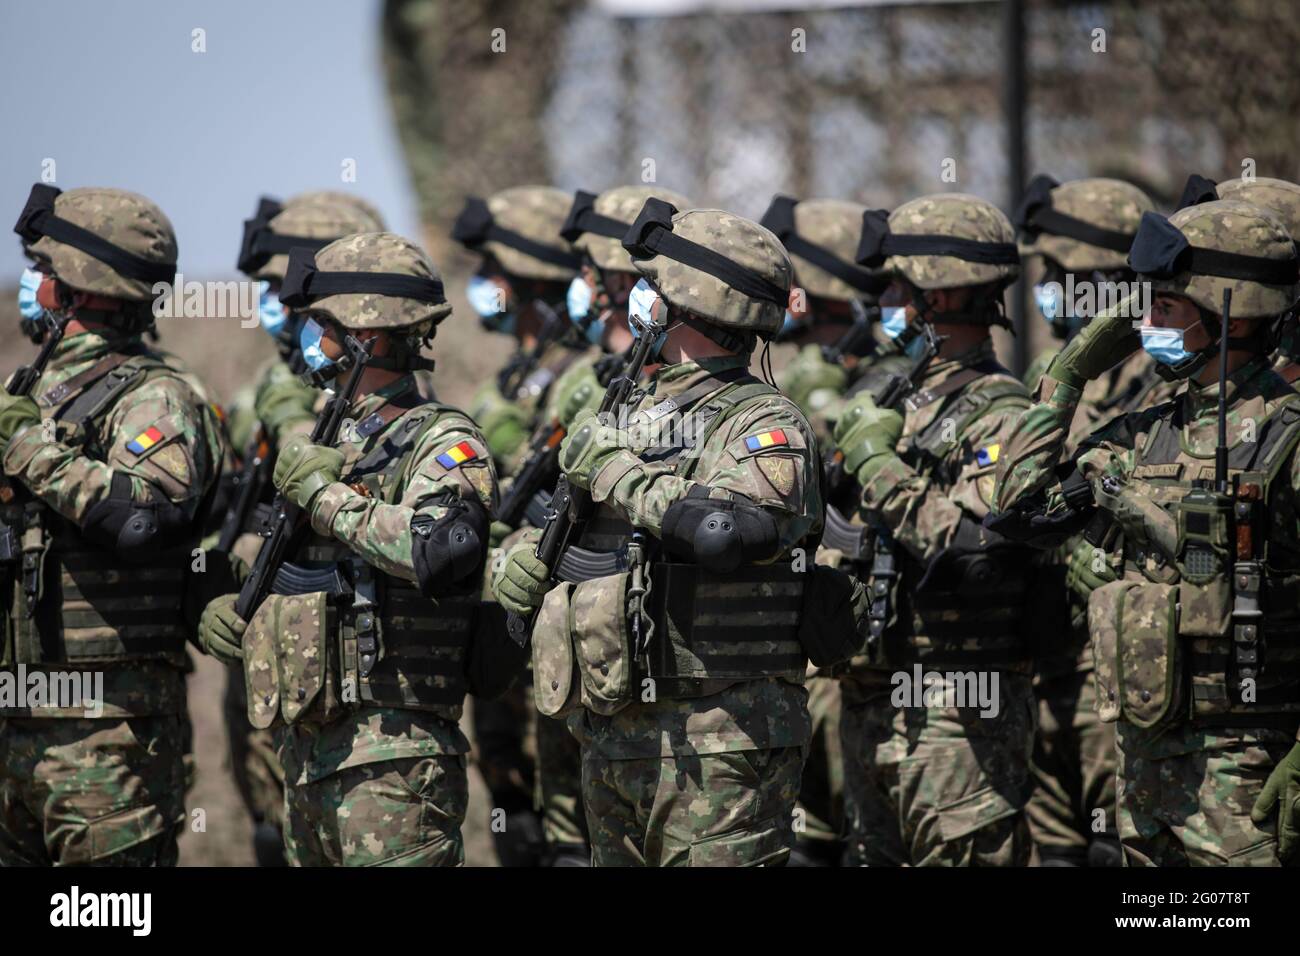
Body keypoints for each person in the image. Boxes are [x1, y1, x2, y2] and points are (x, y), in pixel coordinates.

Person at [495, 199, 837, 866]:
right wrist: (526, 561)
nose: (640, 299)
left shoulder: (765, 422)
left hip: (722, 739)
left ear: (687, 297)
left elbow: (724, 532)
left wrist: (615, 472)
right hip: (617, 731)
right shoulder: (636, 411)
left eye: (652, 285)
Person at [991, 196, 1300, 866]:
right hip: (1145, 777)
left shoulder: (1286, 432)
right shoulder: (1147, 429)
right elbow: (1018, 509)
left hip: (1243, 777)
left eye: (1167, 307)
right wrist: (1068, 373)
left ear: (1230, 314)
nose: (1145, 323)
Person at [198, 232, 515, 865]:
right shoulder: (331, 438)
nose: (311, 340)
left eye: (323, 326)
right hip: (309, 753)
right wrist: (236, 606)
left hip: (395, 757)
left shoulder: (442, 439)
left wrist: (325, 496)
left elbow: (439, 551)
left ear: (364, 335)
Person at [0, 184, 225, 865]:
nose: (29, 281)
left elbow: (141, 518)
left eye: (43, 268)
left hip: (105, 733)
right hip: (17, 717)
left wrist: (27, 449)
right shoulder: (28, 394)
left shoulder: (154, 394)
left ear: (77, 285)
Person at [830, 193, 1037, 866]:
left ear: (941, 299)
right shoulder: (907, 400)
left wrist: (874, 463)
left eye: (900, 288)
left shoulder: (1004, 414)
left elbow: (975, 549)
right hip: (876, 698)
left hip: (958, 713)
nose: (889, 302)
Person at [1012, 174, 1158, 865]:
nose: (1046, 288)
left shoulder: (1155, 382)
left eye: (1061, 273)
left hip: (1119, 675)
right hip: (1048, 661)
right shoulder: (1053, 372)